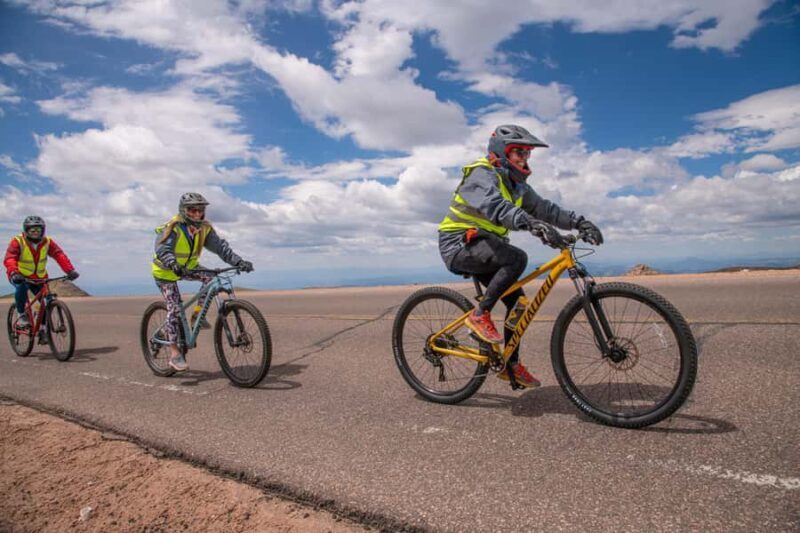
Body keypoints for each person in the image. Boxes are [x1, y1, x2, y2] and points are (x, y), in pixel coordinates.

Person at [438, 125, 603, 388]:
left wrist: (579, 222)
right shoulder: (481, 173)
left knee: (519, 305)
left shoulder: (518, 187)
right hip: (458, 245)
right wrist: (530, 223)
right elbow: (496, 206)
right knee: (516, 258)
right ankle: (480, 315)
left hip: (487, 249)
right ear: (501, 152)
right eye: (518, 152)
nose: (524, 158)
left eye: (527, 153)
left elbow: (545, 209)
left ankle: (510, 364)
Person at [152, 192, 254, 372]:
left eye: (200, 210)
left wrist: (239, 262)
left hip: (188, 267)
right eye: (192, 210)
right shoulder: (174, 227)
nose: (197, 214)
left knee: (211, 277)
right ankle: (175, 354)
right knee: (174, 307)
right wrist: (173, 264)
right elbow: (162, 249)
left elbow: (221, 249)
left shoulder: (205, 229)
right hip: (166, 271)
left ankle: (195, 316)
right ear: (183, 211)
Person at [4, 215, 80, 344]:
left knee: (47, 301)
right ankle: (22, 315)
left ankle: (43, 330)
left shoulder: (47, 242)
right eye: (32, 230)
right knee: (21, 289)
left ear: (43, 230)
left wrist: (69, 270)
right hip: (20, 276)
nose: (35, 233)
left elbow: (59, 255)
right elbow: (10, 258)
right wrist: (14, 273)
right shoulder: (18, 241)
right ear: (26, 230)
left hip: (40, 278)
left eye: (38, 230)